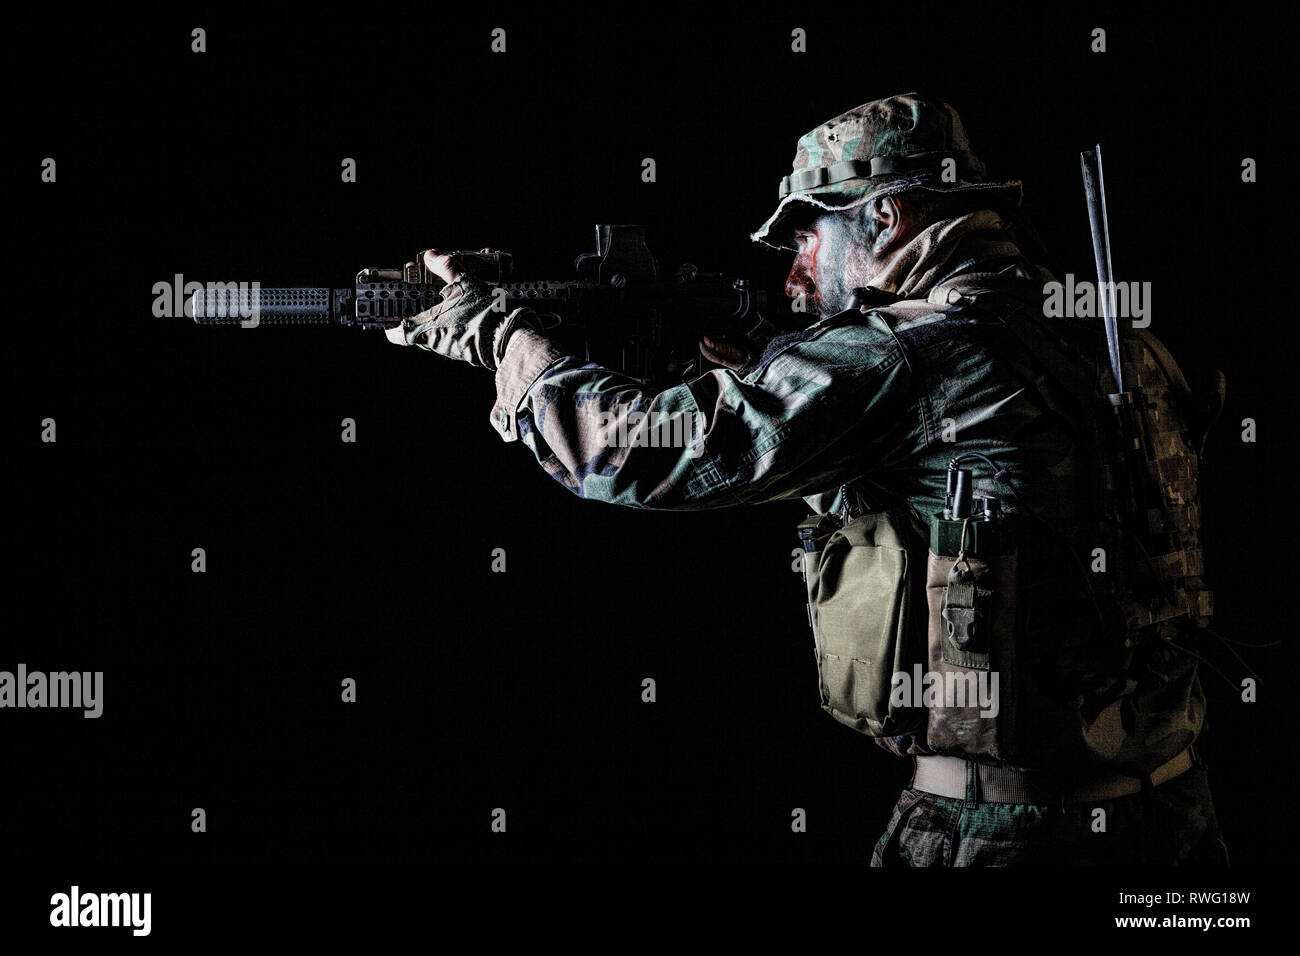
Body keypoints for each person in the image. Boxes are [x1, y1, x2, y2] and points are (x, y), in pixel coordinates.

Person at [386, 92, 1228, 867]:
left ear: (888, 216)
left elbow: (632, 454)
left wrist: (498, 334)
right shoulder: (1112, 340)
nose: (793, 279)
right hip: (1173, 816)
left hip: (1008, 836)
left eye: (804, 239)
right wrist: (771, 374)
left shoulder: (910, 347)